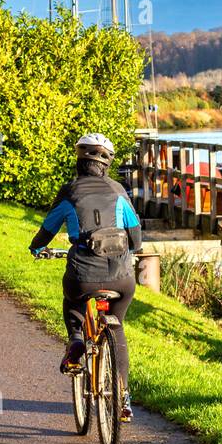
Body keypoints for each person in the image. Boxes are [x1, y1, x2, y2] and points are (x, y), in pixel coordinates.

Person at [29, 132, 141, 422]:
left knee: (73, 299)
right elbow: (136, 234)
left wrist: (37, 247)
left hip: (83, 276)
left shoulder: (70, 192)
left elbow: (48, 227)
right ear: (107, 163)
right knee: (117, 329)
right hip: (121, 276)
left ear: (79, 160)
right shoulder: (118, 190)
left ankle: (76, 338)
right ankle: (123, 395)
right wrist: (134, 249)